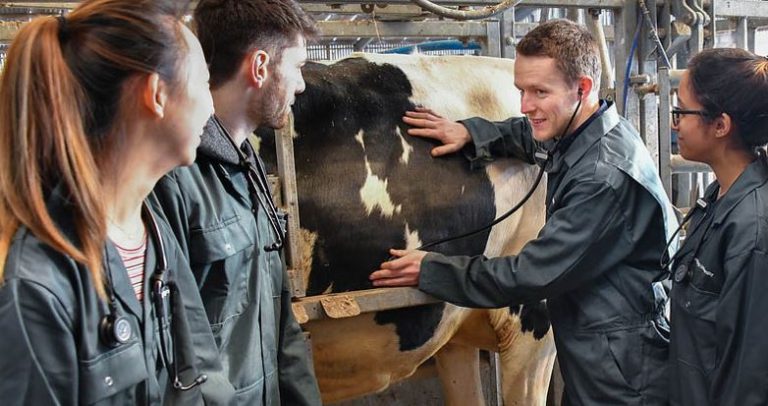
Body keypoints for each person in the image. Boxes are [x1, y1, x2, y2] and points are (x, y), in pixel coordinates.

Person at [370, 19, 678, 405]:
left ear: (582, 88)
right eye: (521, 90)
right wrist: (472, 133)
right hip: (600, 345)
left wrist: (431, 269)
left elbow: (530, 275)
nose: (525, 105)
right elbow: (526, 134)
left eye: (539, 92)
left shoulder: (603, 179)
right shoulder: (588, 129)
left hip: (623, 369)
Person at [0, 0, 234, 404]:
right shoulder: (36, 285)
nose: (211, 107)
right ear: (157, 94)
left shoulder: (154, 234)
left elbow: (203, 382)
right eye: (203, 83)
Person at [153, 0, 322, 404]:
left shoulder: (250, 169)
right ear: (259, 67)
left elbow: (283, 326)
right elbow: (170, 353)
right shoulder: (170, 180)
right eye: (297, 67)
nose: (301, 84)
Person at [666, 48, 768, 406]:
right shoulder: (720, 195)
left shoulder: (752, 231)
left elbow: (747, 381)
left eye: (681, 111)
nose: (674, 123)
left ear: (721, 125)